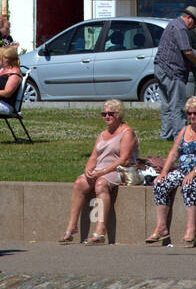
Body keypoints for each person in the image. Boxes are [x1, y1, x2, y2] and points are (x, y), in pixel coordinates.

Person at [146, 96, 196, 248]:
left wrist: (193, 173)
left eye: (195, 113)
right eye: (189, 113)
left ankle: (191, 229)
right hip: (186, 170)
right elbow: (174, 152)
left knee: (190, 185)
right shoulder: (184, 130)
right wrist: (164, 172)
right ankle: (161, 227)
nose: (192, 116)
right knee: (160, 184)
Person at [59, 100, 139, 245]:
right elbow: (94, 156)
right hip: (100, 170)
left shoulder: (127, 132)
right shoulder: (102, 134)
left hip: (119, 171)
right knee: (79, 183)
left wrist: (102, 172)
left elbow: (124, 159)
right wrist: (88, 169)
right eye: (104, 114)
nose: (107, 116)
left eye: (111, 114)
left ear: (118, 114)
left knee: (101, 184)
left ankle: (100, 231)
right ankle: (72, 226)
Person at [153, 6, 196, 140]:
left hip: (160, 67)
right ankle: (180, 136)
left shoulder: (172, 24)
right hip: (172, 71)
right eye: (195, 23)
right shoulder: (181, 28)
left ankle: (166, 134)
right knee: (178, 105)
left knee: (166, 104)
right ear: (189, 18)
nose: (194, 27)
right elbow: (187, 51)